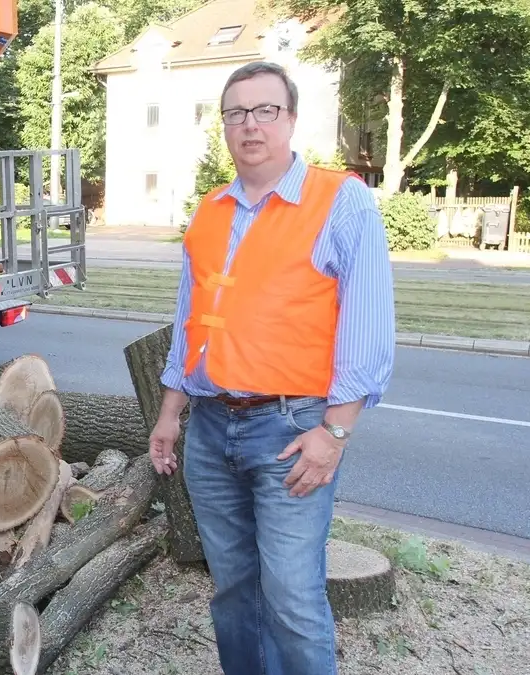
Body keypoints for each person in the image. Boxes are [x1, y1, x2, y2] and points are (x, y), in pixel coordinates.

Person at [148, 60, 395, 675]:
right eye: (236, 114)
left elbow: (368, 331)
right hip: (208, 429)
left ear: (290, 119)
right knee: (233, 589)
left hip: (293, 432)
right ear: (224, 126)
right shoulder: (211, 209)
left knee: (291, 597)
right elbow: (191, 320)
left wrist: (334, 434)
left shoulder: (342, 201)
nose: (250, 125)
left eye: (265, 111)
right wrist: (170, 413)